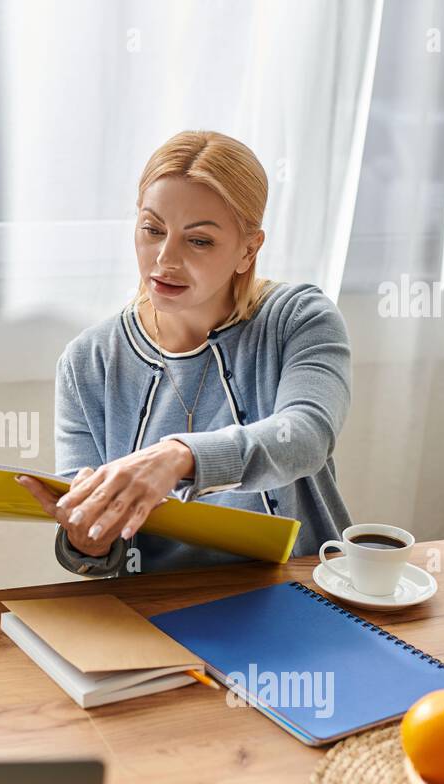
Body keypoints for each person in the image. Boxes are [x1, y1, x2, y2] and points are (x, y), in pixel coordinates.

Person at [18, 130, 352, 577]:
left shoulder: (298, 318)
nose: (165, 260)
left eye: (199, 241)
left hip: (302, 587)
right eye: (153, 230)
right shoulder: (88, 362)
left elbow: (306, 435)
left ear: (248, 248)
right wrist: (86, 539)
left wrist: (179, 456)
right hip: (156, 611)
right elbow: (94, 558)